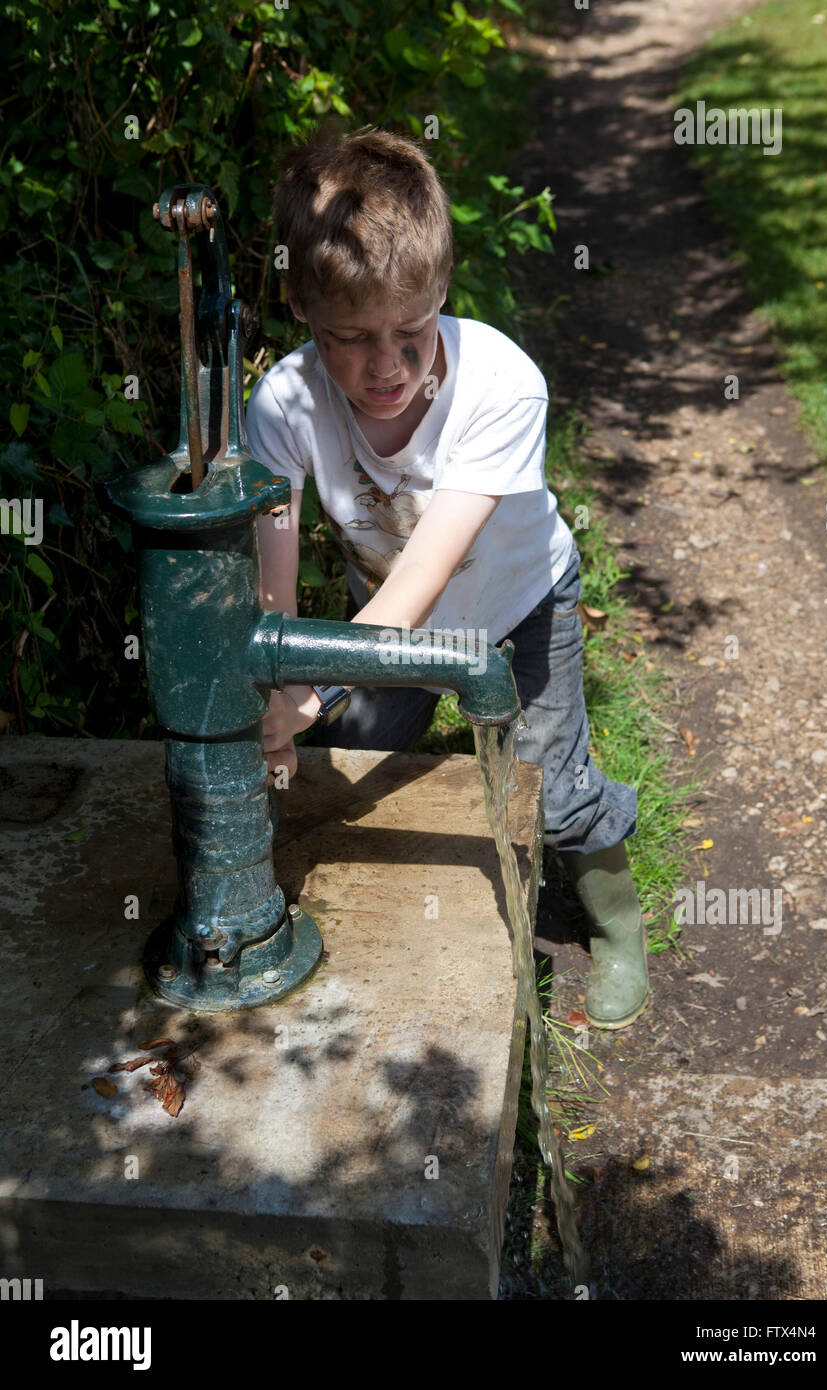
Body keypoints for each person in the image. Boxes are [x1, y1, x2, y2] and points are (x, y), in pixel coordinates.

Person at [245, 127, 648, 1029]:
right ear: (303, 307)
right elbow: (272, 592)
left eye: (410, 334)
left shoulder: (503, 385)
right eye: (348, 338)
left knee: (550, 792)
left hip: (516, 610)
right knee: (349, 768)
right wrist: (280, 688)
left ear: (441, 296)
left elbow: (426, 569)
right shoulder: (281, 405)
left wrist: (314, 685)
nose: (385, 369)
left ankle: (619, 929)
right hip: (376, 618)